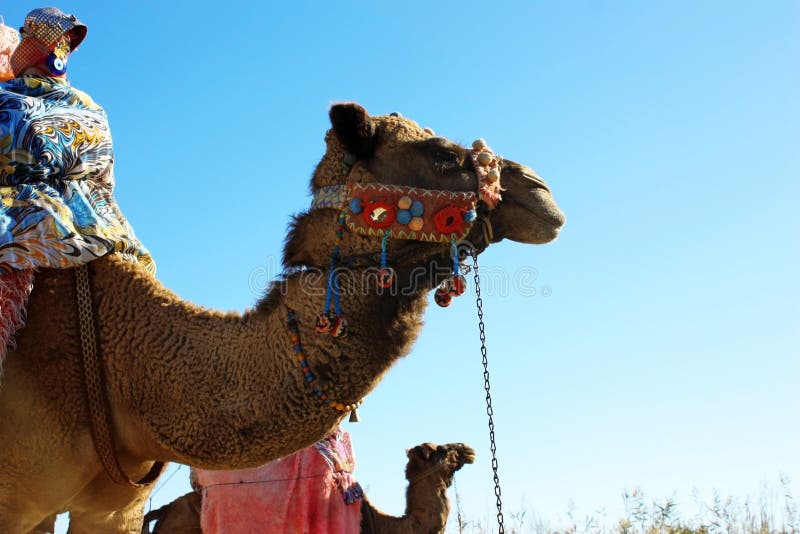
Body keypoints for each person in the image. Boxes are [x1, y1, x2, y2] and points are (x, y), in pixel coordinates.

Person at [0, 8, 154, 360]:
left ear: (33, 45)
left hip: (23, 224)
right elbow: (105, 181)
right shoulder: (92, 108)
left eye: (23, 37)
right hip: (102, 226)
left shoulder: (8, 102)